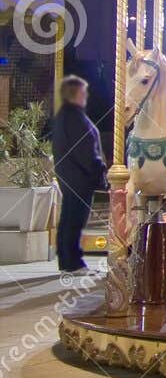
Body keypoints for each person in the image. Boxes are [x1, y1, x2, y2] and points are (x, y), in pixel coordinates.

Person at [50, 76, 105, 273]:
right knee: (75, 219)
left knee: (69, 217)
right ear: (75, 94)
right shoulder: (73, 118)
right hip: (79, 177)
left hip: (71, 175)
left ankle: (66, 260)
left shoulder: (65, 116)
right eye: (83, 92)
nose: (86, 95)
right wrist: (99, 171)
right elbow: (84, 150)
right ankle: (73, 262)